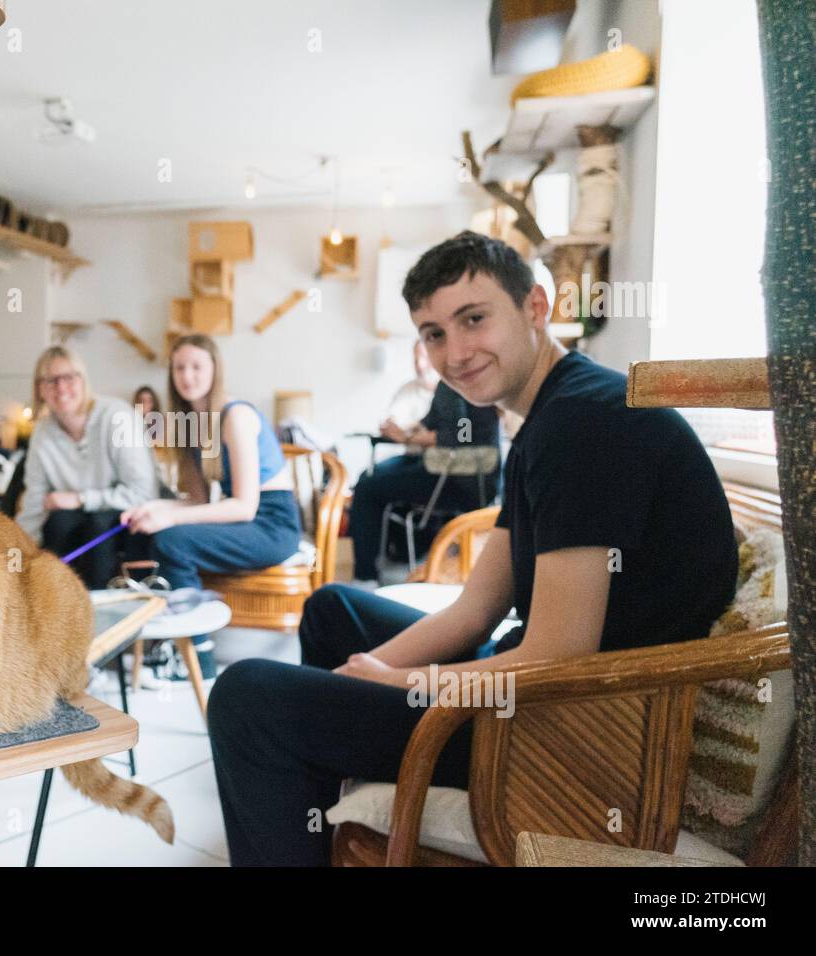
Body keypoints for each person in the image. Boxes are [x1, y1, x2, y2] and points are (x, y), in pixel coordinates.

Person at [207, 230, 739, 866]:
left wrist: (400, 683)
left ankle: (300, 760)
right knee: (332, 611)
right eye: (434, 333)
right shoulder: (552, 416)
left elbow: (556, 656)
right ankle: (314, 808)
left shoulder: (585, 425)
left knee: (245, 699)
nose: (454, 352)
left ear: (534, 308)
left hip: (568, 728)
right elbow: (475, 610)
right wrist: (369, 677)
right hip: (534, 690)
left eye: (473, 319)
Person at [121, 334, 302, 680]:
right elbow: (199, 501)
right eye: (179, 368)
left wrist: (170, 516)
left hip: (273, 525)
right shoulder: (191, 425)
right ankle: (157, 640)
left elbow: (245, 507)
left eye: (196, 367)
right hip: (244, 519)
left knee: (173, 541)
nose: (187, 376)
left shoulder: (236, 416)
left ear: (215, 370)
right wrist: (152, 507)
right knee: (145, 531)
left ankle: (198, 655)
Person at [349, 349, 501, 585]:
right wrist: (402, 430)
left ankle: (365, 576)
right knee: (371, 478)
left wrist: (406, 439)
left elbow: (459, 436)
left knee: (368, 489)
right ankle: (392, 560)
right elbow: (431, 423)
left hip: (460, 479)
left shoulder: (454, 385)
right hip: (467, 475)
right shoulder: (455, 383)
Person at [16, 346, 158, 589]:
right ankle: (53, 599)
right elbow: (35, 500)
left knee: (98, 524)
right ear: (40, 389)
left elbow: (143, 492)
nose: (61, 388)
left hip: (123, 511)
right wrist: (17, 552)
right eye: (51, 380)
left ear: (83, 381)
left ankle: (99, 604)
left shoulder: (116, 417)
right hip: (72, 516)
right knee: (58, 522)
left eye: (69, 377)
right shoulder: (42, 431)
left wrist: (80, 499)